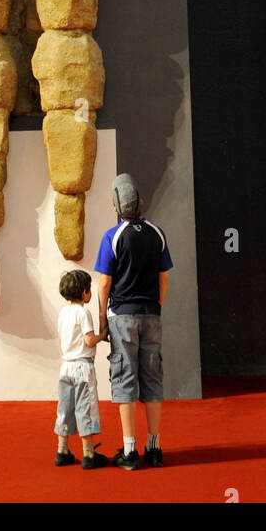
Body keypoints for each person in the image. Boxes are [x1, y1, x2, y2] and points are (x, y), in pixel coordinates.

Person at [94, 174, 173, 470]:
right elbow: (164, 276)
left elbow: (104, 284)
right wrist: (156, 306)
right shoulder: (157, 233)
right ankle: (154, 448)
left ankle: (130, 451)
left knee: (124, 379)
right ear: (140, 202)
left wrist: (102, 320)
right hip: (151, 314)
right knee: (152, 378)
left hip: (122, 317)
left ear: (115, 207)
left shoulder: (112, 237)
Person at [54, 269, 109, 469]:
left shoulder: (63, 313)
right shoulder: (83, 313)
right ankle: (89, 454)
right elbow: (88, 339)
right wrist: (102, 336)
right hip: (83, 367)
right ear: (85, 292)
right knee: (85, 407)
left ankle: (62, 450)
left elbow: (61, 341)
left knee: (65, 408)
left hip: (66, 366)